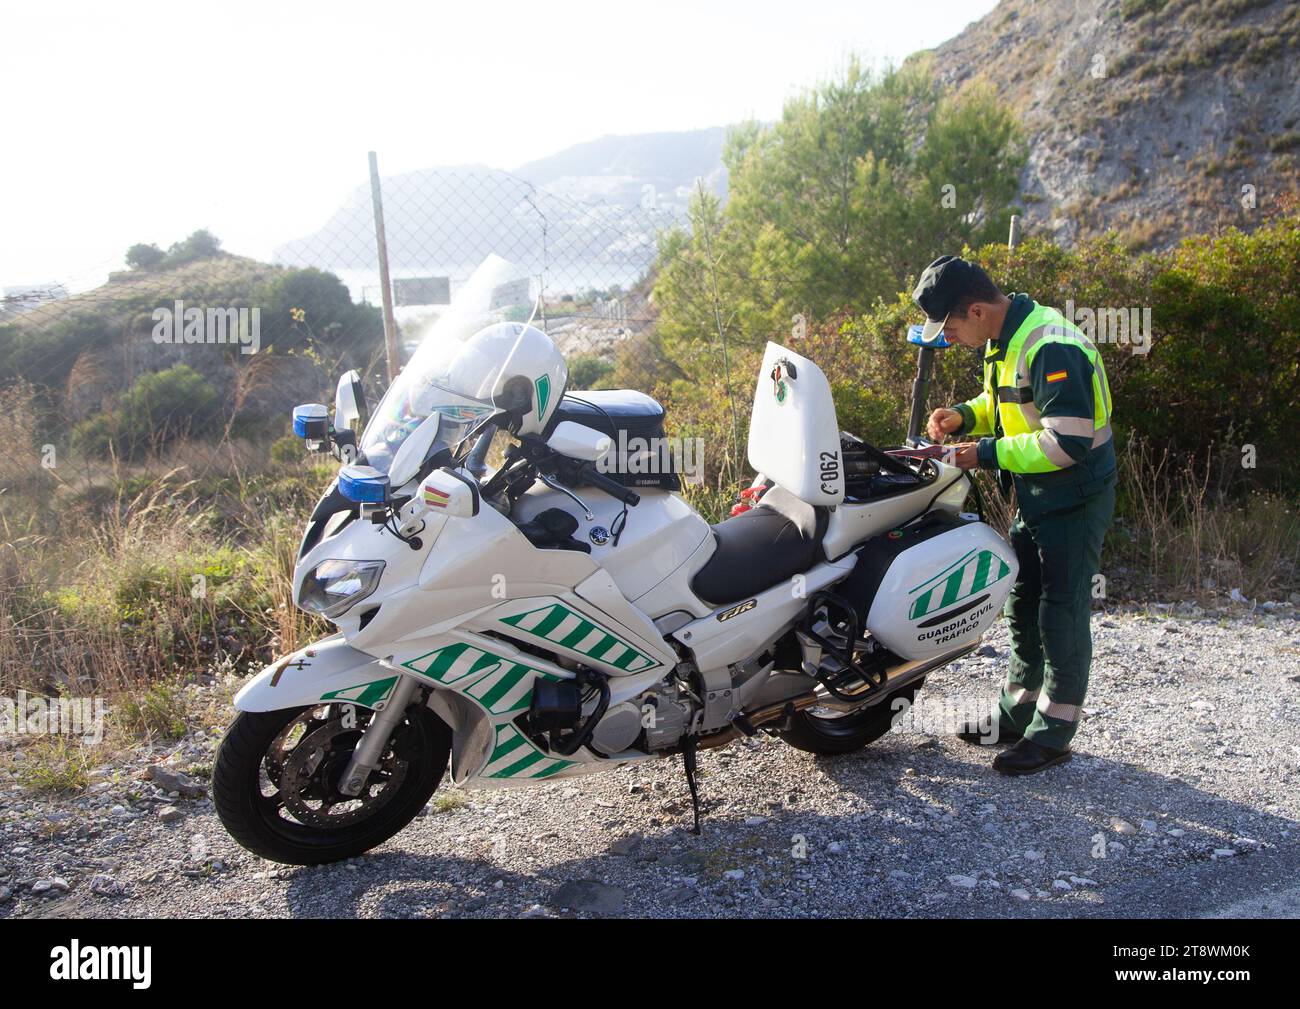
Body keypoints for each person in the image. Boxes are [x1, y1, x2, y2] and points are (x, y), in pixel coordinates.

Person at [912, 255, 1116, 775]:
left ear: (976, 311)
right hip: (1038, 493)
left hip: (1073, 493)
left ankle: (1052, 735)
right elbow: (1004, 400)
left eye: (951, 327)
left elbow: (1065, 442)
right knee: (1021, 602)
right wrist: (964, 414)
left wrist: (984, 453)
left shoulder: (1050, 344)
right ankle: (1016, 714)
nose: (949, 338)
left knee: (1062, 611)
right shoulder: (1007, 337)